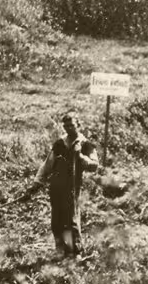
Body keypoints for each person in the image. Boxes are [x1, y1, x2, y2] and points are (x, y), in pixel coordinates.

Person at [31, 111, 100, 258]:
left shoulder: (86, 144)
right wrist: (38, 182)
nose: (69, 128)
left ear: (79, 125)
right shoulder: (59, 144)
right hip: (56, 187)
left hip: (72, 188)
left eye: (72, 125)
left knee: (72, 221)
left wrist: (80, 156)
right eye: (66, 126)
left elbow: (94, 165)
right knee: (57, 221)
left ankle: (75, 253)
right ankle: (60, 251)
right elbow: (47, 165)